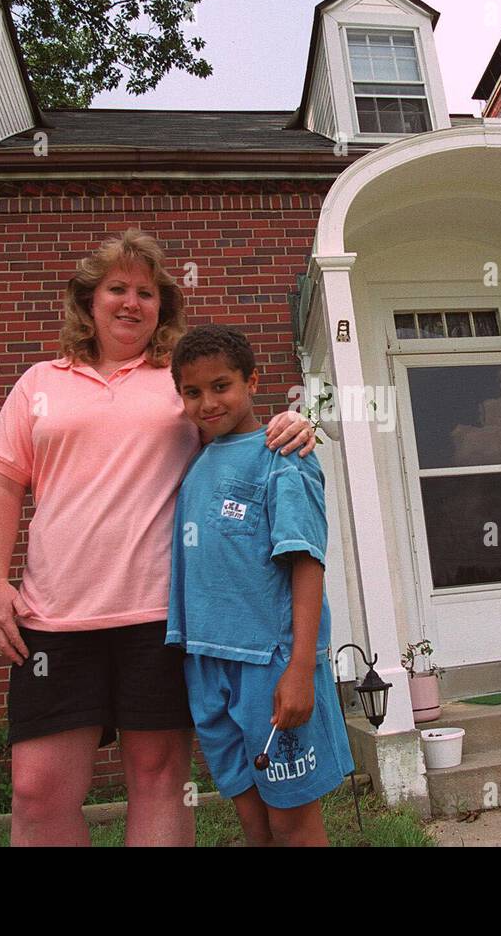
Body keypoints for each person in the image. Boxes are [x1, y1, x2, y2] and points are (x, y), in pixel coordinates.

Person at [0, 230, 317, 846]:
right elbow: (2, 481)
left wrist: (296, 419)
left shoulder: (177, 382)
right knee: (36, 785)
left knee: (159, 776)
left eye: (146, 292)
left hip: (161, 616)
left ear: (162, 306)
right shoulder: (38, 383)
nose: (131, 302)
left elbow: (239, 427)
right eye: (117, 289)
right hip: (53, 617)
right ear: (88, 299)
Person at [166, 324, 354, 846]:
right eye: (192, 391)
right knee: (252, 820)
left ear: (252, 381)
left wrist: (299, 668)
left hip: (271, 665)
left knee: (291, 821)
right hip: (207, 663)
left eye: (221, 385)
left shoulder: (282, 455)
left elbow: (306, 563)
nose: (207, 402)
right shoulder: (196, 463)